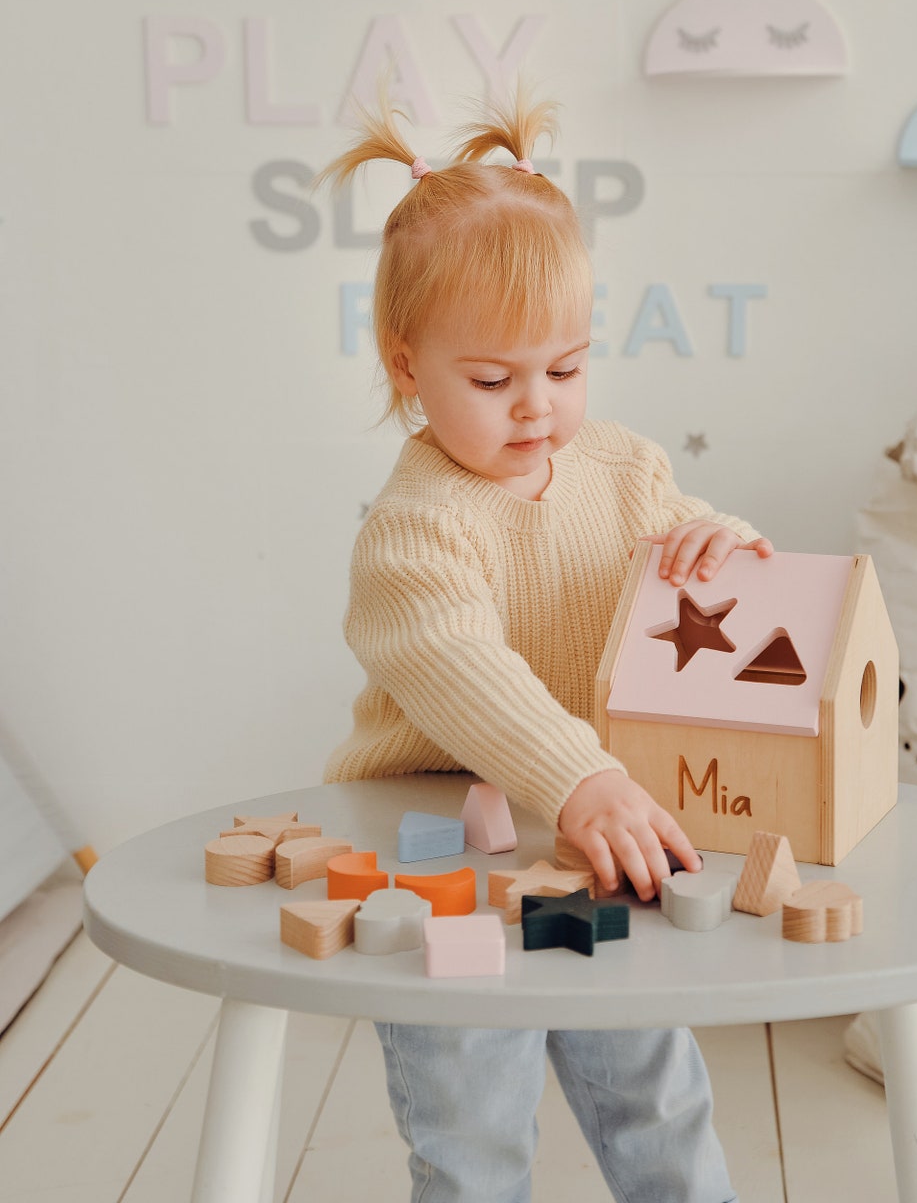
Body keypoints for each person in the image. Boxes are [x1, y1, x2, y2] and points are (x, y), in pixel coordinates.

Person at [320, 90, 772, 1203]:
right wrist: (584, 775)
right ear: (405, 367)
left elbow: (692, 563)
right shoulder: (415, 525)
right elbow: (457, 660)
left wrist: (730, 544)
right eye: (492, 380)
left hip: (591, 841)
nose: (536, 409)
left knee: (659, 1109)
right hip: (447, 861)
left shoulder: (619, 469)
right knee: (474, 1142)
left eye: (565, 370)